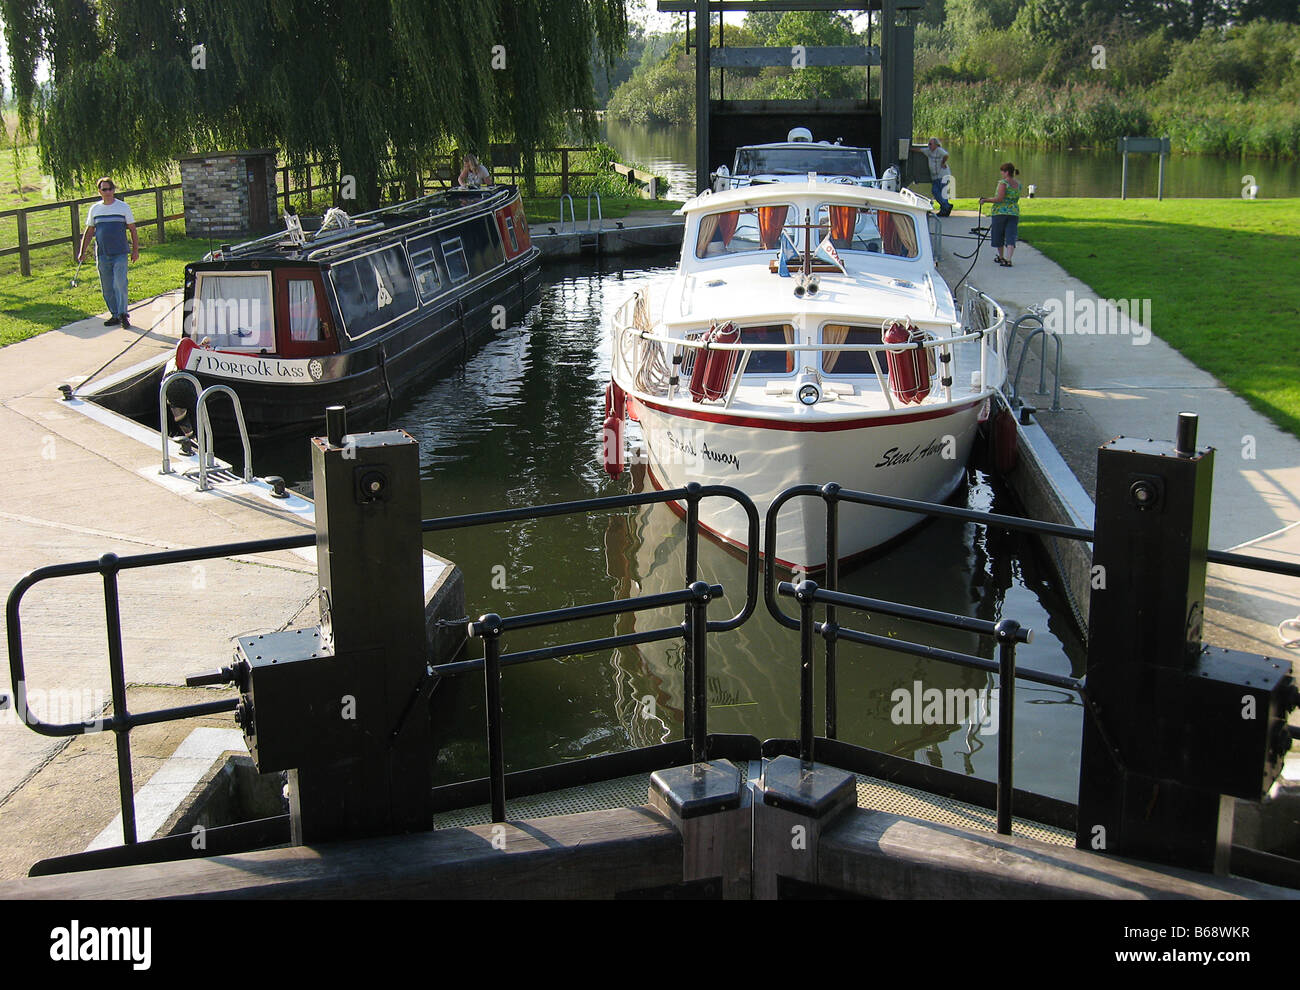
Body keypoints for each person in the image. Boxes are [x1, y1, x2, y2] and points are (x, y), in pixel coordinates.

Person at [77, 177, 139, 327]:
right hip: (103, 253)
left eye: (110, 189)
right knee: (107, 287)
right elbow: (89, 230)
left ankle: (123, 314)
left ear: (114, 190)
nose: (108, 192)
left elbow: (132, 229)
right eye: (104, 189)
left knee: (120, 283)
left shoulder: (123, 207)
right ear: (99, 191)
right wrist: (82, 251)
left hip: (120, 253)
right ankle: (115, 314)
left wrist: (135, 250)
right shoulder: (95, 209)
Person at [979, 163, 1022, 267]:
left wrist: (985, 200)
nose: (1001, 174)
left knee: (999, 235)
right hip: (1013, 212)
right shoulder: (1018, 184)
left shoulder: (1003, 183)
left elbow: (999, 199)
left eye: (1002, 171)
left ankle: (1001, 257)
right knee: (1010, 235)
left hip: (1000, 212)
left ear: (1006, 172)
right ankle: (1009, 259)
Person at [925, 138, 952, 217]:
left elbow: (946, 155)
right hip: (935, 177)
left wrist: (943, 162)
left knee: (939, 192)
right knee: (936, 192)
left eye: (930, 144)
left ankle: (945, 209)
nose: (929, 146)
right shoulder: (928, 151)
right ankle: (946, 208)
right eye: (928, 144)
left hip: (943, 175)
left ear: (936, 145)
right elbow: (919, 150)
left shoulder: (939, 150)